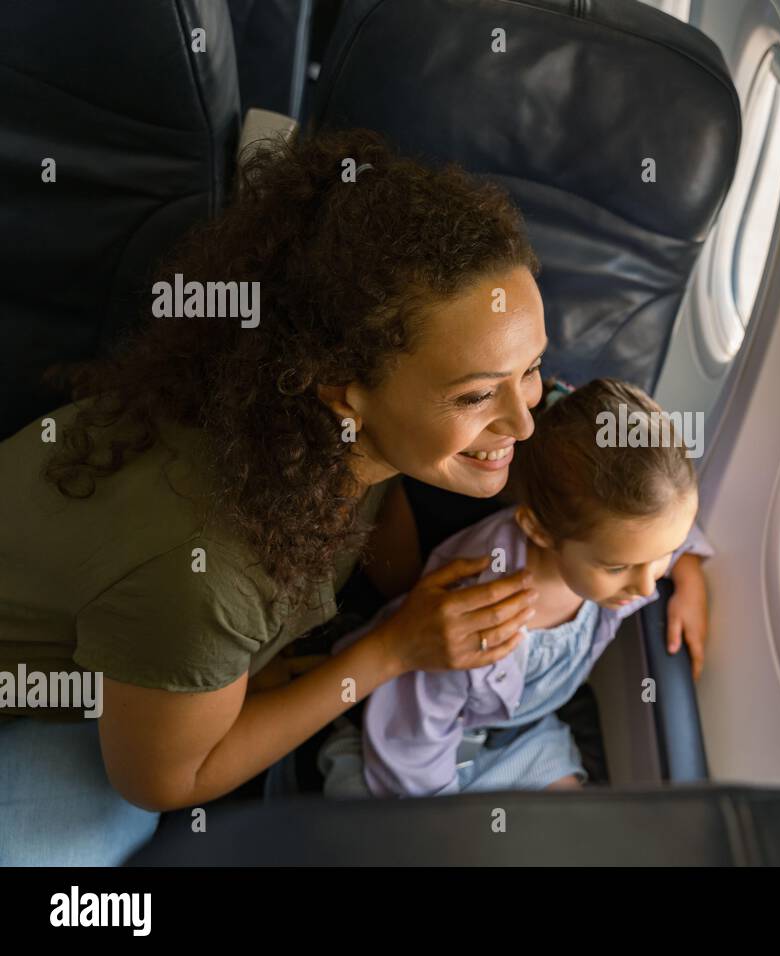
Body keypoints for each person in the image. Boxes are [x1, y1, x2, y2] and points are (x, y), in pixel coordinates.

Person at [0, 129, 552, 864]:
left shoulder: (303, 428)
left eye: (533, 369)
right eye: (478, 394)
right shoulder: (208, 573)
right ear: (343, 393)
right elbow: (168, 780)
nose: (523, 419)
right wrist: (390, 652)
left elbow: (385, 542)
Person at [317, 379, 711, 798]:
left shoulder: (620, 551)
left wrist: (688, 573)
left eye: (663, 555)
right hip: (401, 743)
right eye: (618, 566)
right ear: (538, 531)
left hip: (516, 733)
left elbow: (662, 529)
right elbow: (411, 727)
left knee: (582, 831)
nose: (647, 584)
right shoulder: (480, 607)